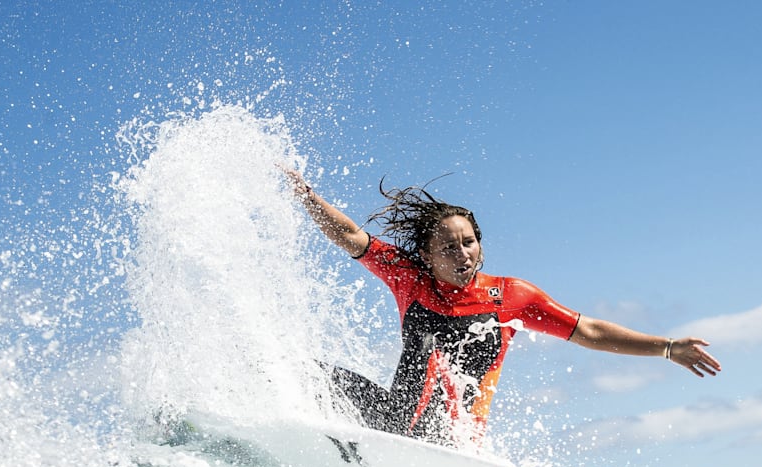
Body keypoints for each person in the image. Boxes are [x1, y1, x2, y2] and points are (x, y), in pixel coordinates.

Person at [282, 167, 721, 445]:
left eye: (469, 242)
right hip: (396, 423)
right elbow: (353, 238)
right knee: (299, 370)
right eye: (448, 247)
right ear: (427, 254)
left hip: (451, 441)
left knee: (434, 382)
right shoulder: (408, 278)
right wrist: (306, 198)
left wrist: (666, 348)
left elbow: (588, 331)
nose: (462, 254)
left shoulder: (512, 297)